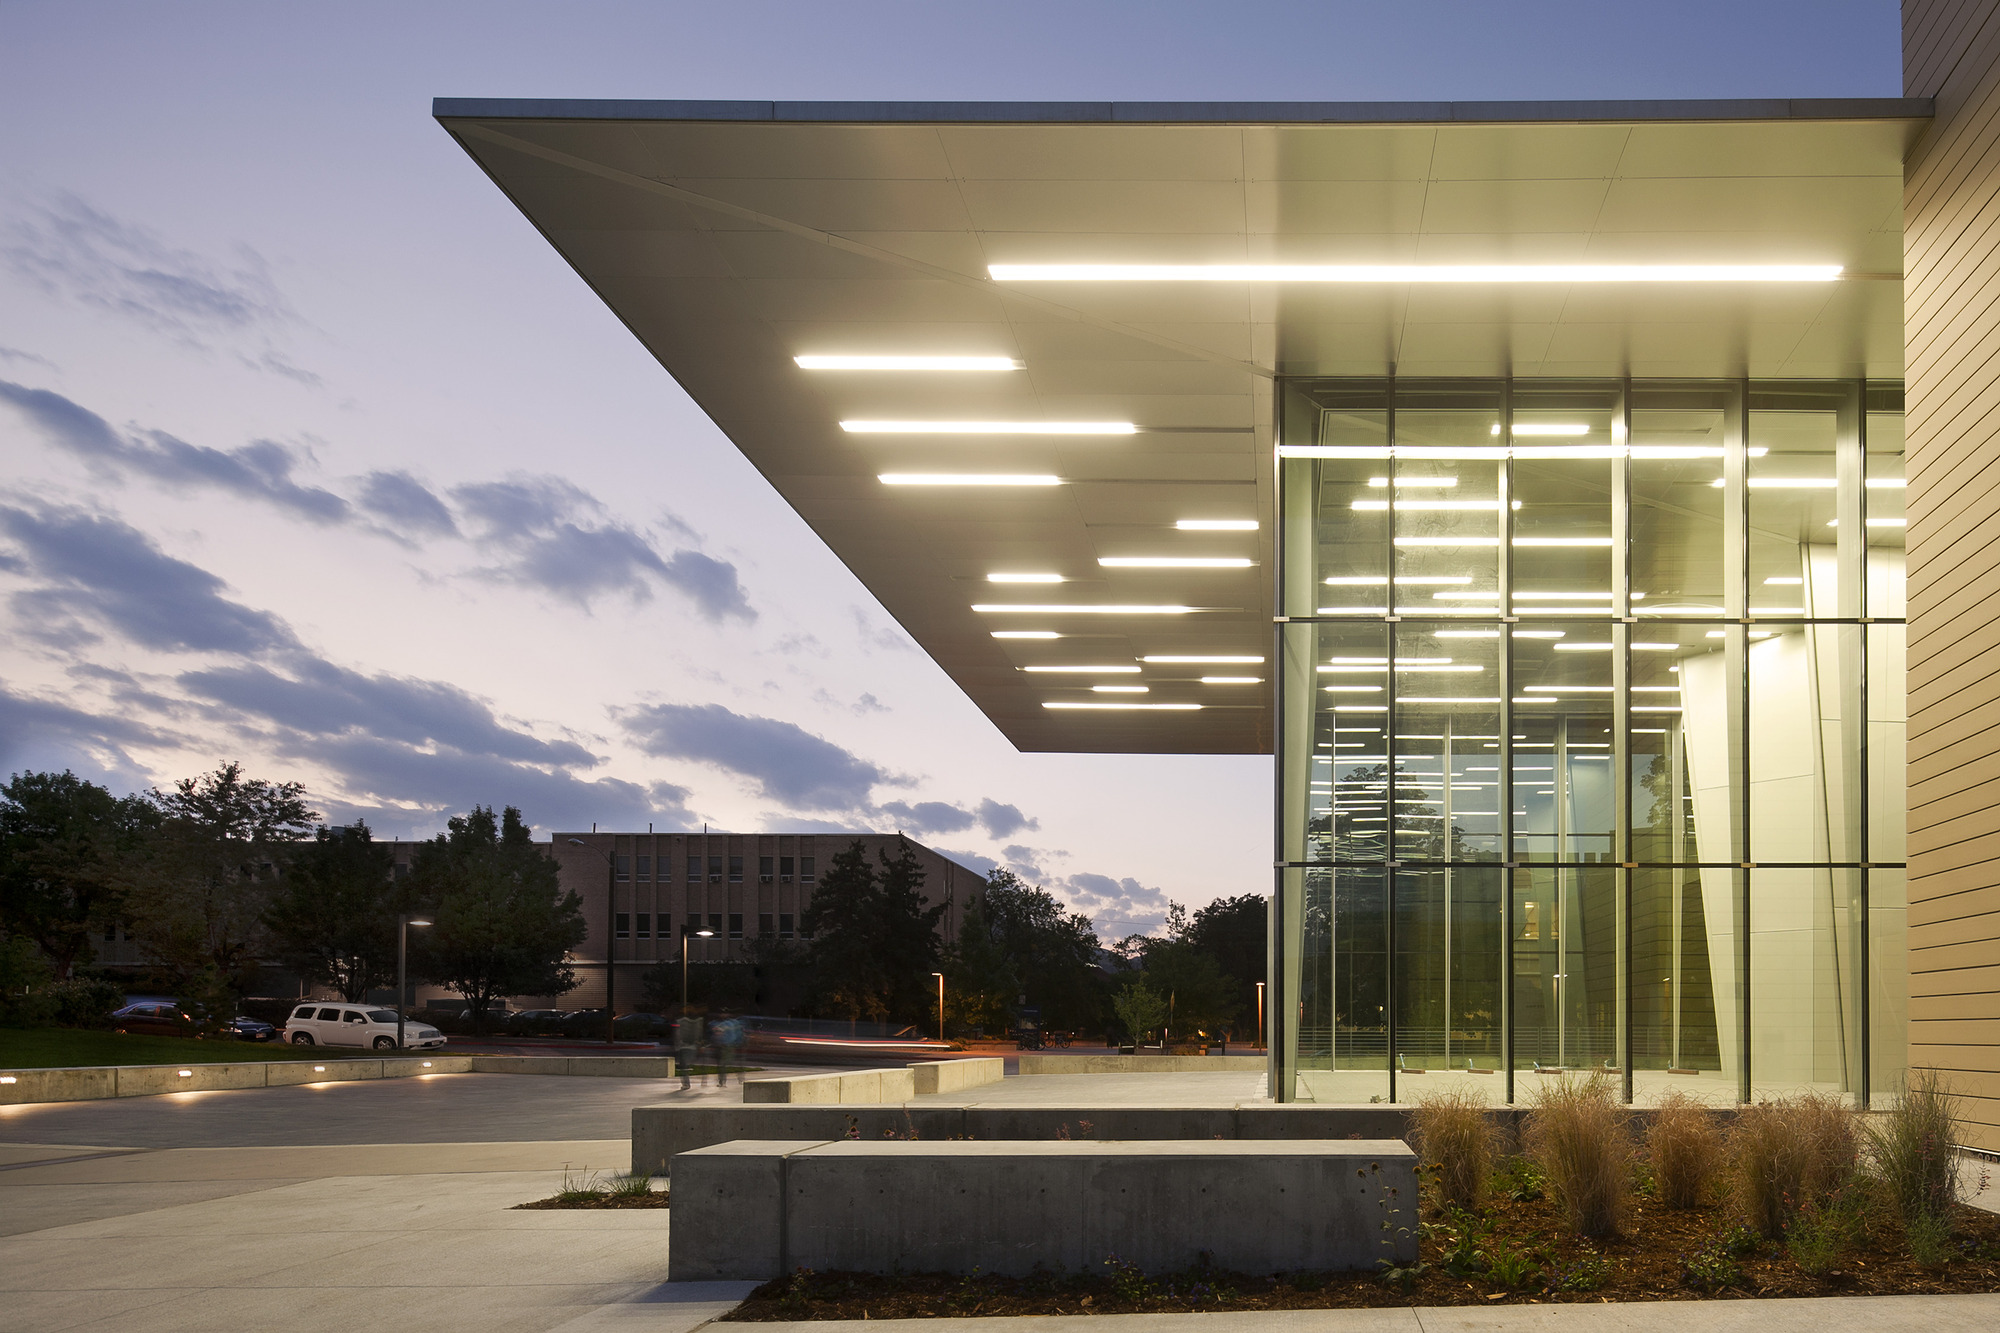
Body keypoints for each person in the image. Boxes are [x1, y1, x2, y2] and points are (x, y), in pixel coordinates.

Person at [673, 1009, 703, 1090]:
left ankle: (686, 1083)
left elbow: (677, 1035)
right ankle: (686, 1083)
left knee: (684, 1066)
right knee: (685, 1065)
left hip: (684, 1047)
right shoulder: (696, 1023)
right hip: (690, 1047)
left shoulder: (681, 1022)